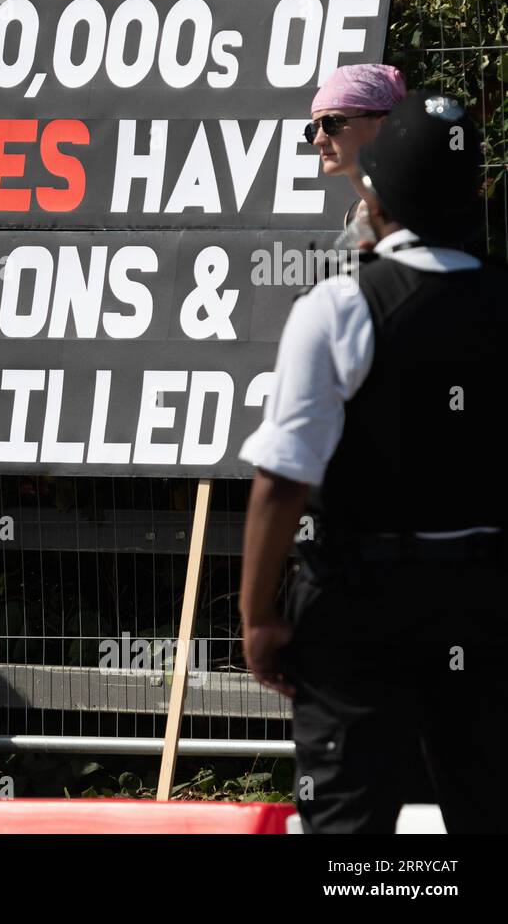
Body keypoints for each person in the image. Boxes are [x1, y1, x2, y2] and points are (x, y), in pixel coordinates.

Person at [239, 91, 507, 833]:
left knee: (352, 840)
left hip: (358, 611)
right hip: (485, 606)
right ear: (475, 193)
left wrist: (258, 615)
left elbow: (284, 477)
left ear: (375, 193)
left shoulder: (338, 308)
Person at [305, 63, 406, 251]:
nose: (319, 140)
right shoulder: (357, 215)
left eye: (332, 123)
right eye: (314, 128)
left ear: (383, 125)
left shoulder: (420, 210)